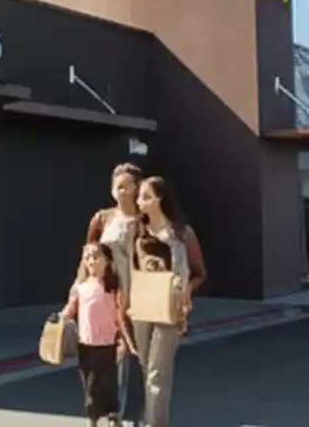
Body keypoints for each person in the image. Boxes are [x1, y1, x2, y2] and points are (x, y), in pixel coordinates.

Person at [131, 176, 207, 427]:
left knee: (157, 372)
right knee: (146, 368)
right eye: (140, 197)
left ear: (160, 199)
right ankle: (150, 418)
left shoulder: (182, 234)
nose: (140, 202)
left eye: (146, 196)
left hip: (169, 308)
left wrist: (186, 289)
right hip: (142, 306)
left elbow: (199, 273)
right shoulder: (137, 233)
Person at [87, 162, 146, 425]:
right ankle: (113, 414)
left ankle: (134, 414)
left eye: (126, 186)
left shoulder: (146, 220)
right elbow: (88, 256)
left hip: (140, 297)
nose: (120, 191)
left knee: (136, 356)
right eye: (116, 186)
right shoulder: (103, 219)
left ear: (137, 188)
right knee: (109, 355)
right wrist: (78, 292)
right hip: (108, 297)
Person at [63, 242, 136, 427]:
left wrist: (125, 342)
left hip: (107, 345)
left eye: (95, 256)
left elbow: (120, 317)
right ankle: (93, 420)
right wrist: (60, 319)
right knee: (90, 385)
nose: (91, 261)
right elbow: (70, 310)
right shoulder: (81, 287)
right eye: (87, 257)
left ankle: (113, 415)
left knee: (108, 384)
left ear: (107, 261)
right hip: (85, 345)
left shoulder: (113, 288)